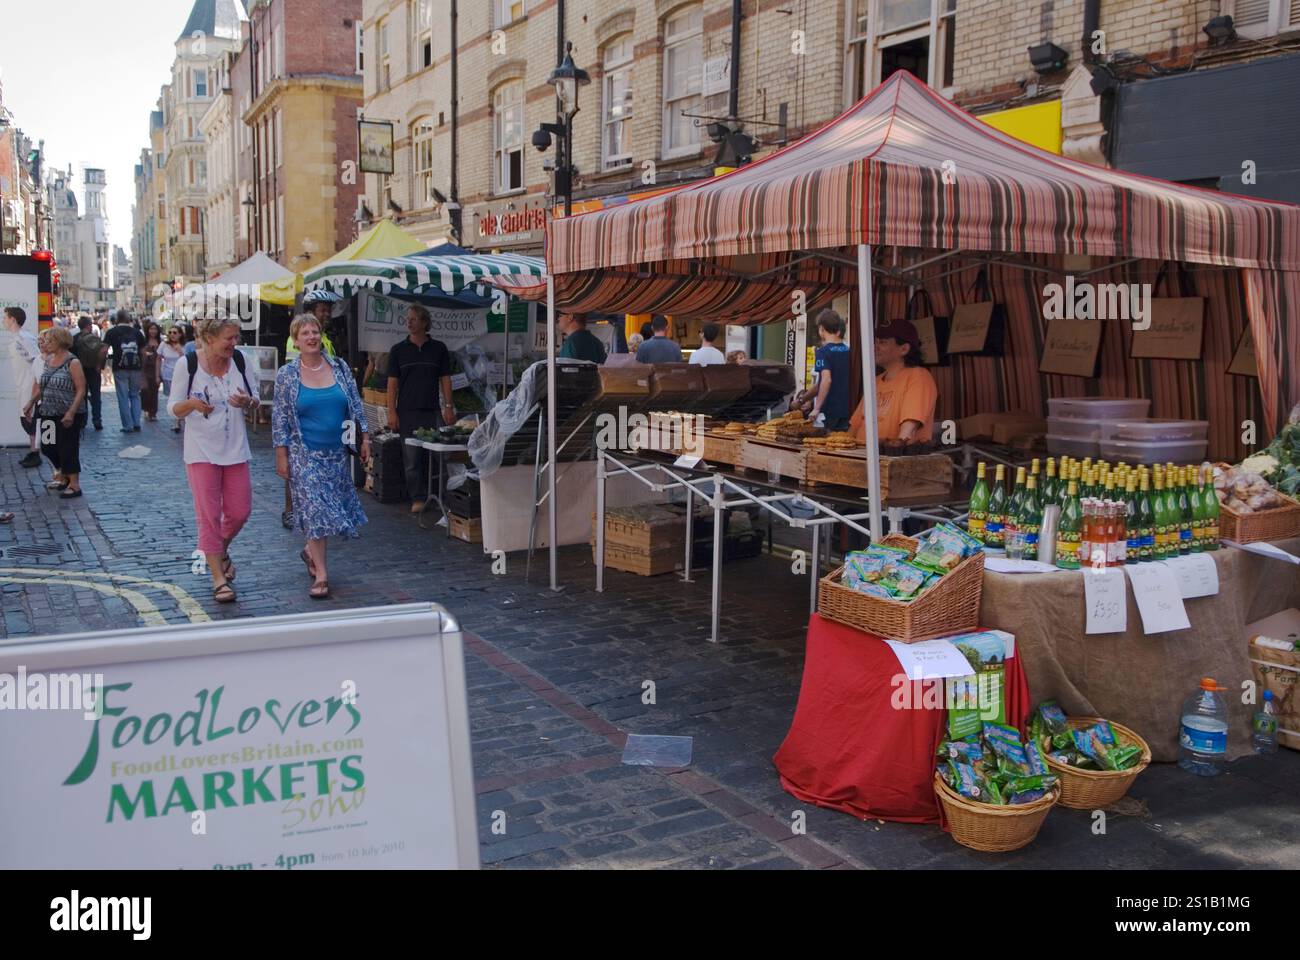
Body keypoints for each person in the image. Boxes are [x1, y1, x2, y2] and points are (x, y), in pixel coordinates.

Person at [273, 313, 370, 599]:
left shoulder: (339, 367)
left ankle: (309, 552)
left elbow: (355, 402)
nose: (312, 337)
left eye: (315, 332)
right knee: (316, 512)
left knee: (331, 512)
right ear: (295, 340)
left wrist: (365, 437)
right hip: (305, 455)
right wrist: (281, 456)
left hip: (337, 454)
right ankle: (322, 575)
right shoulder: (287, 375)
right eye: (305, 333)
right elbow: (279, 418)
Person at [168, 318, 261, 604]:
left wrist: (248, 401)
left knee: (240, 511)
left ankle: (218, 551)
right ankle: (218, 578)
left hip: (235, 448)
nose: (235, 343)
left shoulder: (241, 361)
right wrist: (193, 404)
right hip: (201, 450)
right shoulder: (189, 364)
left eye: (236, 337)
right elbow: (173, 409)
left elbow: (257, 398)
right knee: (208, 515)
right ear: (208, 339)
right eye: (229, 338)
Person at [386, 304, 454, 513]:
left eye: (413, 319)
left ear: (424, 322)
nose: (409, 322)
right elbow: (392, 384)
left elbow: (445, 379)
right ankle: (417, 498)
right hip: (407, 413)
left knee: (439, 457)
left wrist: (448, 407)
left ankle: (441, 497)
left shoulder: (439, 349)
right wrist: (391, 411)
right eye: (408, 319)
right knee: (411, 460)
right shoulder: (398, 350)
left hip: (432, 411)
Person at [849, 318, 939, 445]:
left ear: (904, 349)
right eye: (875, 342)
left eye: (883, 342)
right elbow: (854, 427)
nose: (875, 347)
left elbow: (907, 432)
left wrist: (892, 451)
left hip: (891, 461)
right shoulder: (876, 381)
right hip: (862, 458)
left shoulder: (919, 377)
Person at [23, 327, 87, 499]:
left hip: (67, 413)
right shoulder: (49, 360)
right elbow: (44, 385)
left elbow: (81, 389)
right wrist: (31, 402)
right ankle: (63, 473)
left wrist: (71, 412)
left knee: (68, 447)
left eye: (50, 340)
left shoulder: (72, 362)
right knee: (48, 446)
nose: (46, 344)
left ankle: (74, 484)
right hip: (48, 412)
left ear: (60, 341)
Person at [4, 307, 43, 467]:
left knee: (30, 419)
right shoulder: (17, 339)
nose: (3, 321)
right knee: (26, 420)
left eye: (5, 318)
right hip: (22, 385)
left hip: (29, 386)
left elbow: (37, 361)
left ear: (13, 319)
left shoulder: (23, 339)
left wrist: (35, 387)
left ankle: (36, 453)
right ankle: (33, 451)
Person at [809, 309, 853, 431]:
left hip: (829, 410)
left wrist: (817, 408)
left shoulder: (823, 352)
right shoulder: (849, 351)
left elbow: (826, 380)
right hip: (849, 409)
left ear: (821, 329)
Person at [104, 310, 146, 432]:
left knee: (123, 396)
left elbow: (104, 350)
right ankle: (137, 423)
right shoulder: (137, 332)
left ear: (117, 319)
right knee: (135, 395)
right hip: (136, 367)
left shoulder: (111, 332)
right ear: (129, 319)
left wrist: (101, 364)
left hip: (119, 367)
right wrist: (142, 367)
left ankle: (127, 425)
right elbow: (143, 352)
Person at [72, 316, 107, 431]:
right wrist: (99, 365)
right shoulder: (94, 338)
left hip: (79, 371)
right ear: (89, 326)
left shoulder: (75, 338)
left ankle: (83, 420)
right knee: (96, 396)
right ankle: (97, 420)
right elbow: (103, 350)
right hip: (94, 370)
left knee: (81, 395)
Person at [159, 325, 186, 433]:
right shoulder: (164, 345)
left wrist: (180, 350)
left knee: (181, 396)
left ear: (180, 334)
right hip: (168, 375)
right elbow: (158, 358)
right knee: (172, 397)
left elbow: (186, 359)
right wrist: (158, 373)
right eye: (170, 332)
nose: (172, 335)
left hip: (181, 375)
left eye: (175, 332)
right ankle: (176, 419)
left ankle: (178, 420)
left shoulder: (184, 345)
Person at [141, 322, 162, 422]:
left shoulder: (161, 342)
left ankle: (153, 412)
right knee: (145, 390)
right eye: (151, 329)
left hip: (156, 368)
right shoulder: (143, 341)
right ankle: (145, 408)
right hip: (145, 368)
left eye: (155, 329)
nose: (153, 331)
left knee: (154, 391)